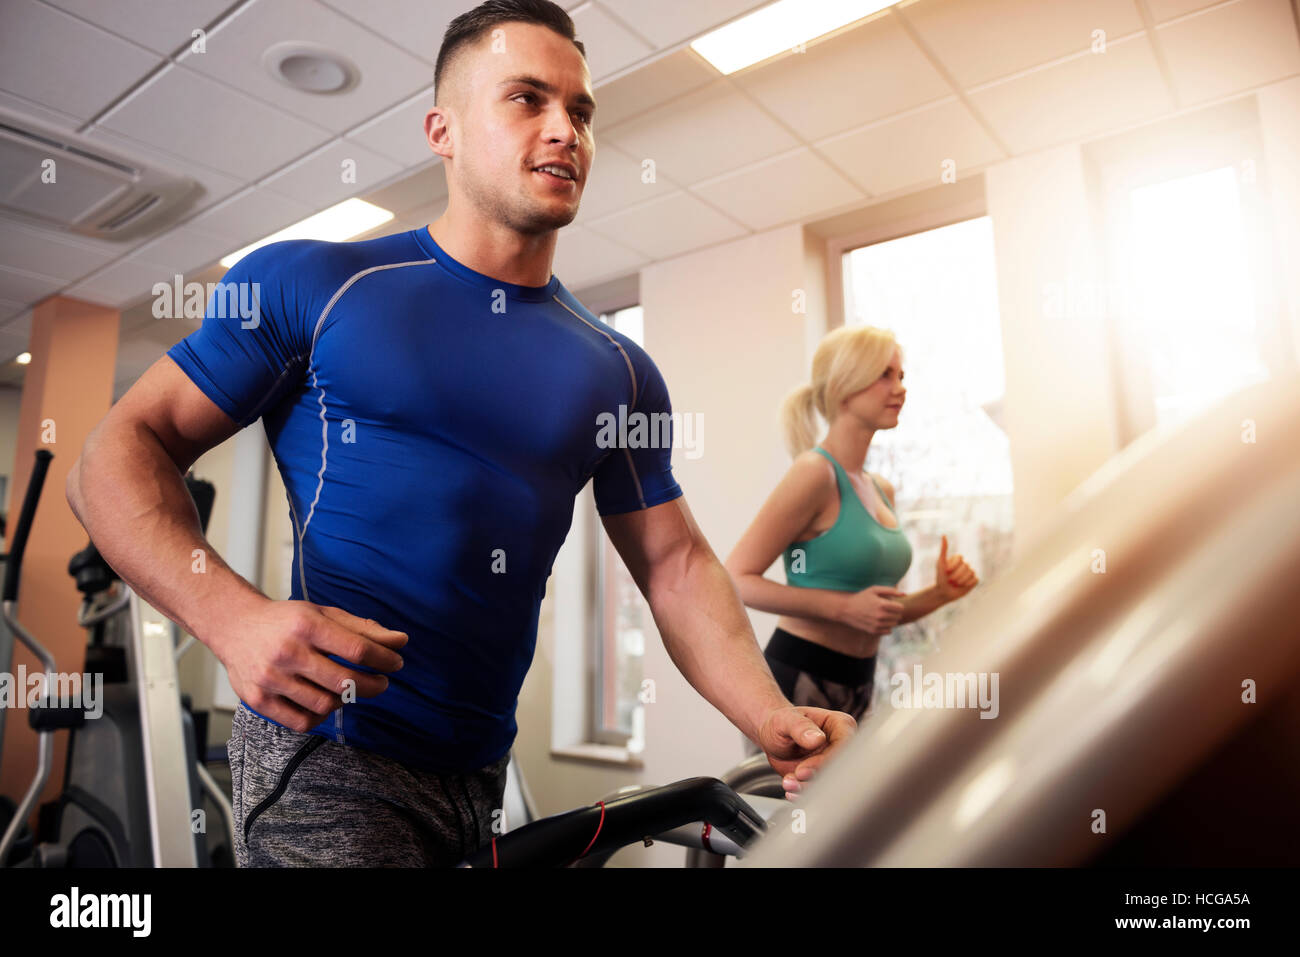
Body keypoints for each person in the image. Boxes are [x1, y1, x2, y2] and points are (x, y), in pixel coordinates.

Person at [64, 0, 853, 868]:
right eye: (527, 98)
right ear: (441, 129)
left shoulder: (618, 369)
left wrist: (768, 714)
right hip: (329, 753)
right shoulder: (317, 283)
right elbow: (115, 452)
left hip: (480, 769)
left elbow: (675, 565)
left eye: (581, 110)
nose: (565, 129)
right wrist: (235, 619)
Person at [726, 325, 979, 754]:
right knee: (791, 820)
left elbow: (875, 614)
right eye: (885, 375)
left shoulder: (881, 489)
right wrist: (843, 607)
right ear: (845, 387)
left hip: (860, 679)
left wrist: (939, 594)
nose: (900, 387)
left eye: (901, 375)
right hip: (799, 679)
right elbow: (736, 577)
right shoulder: (814, 474)